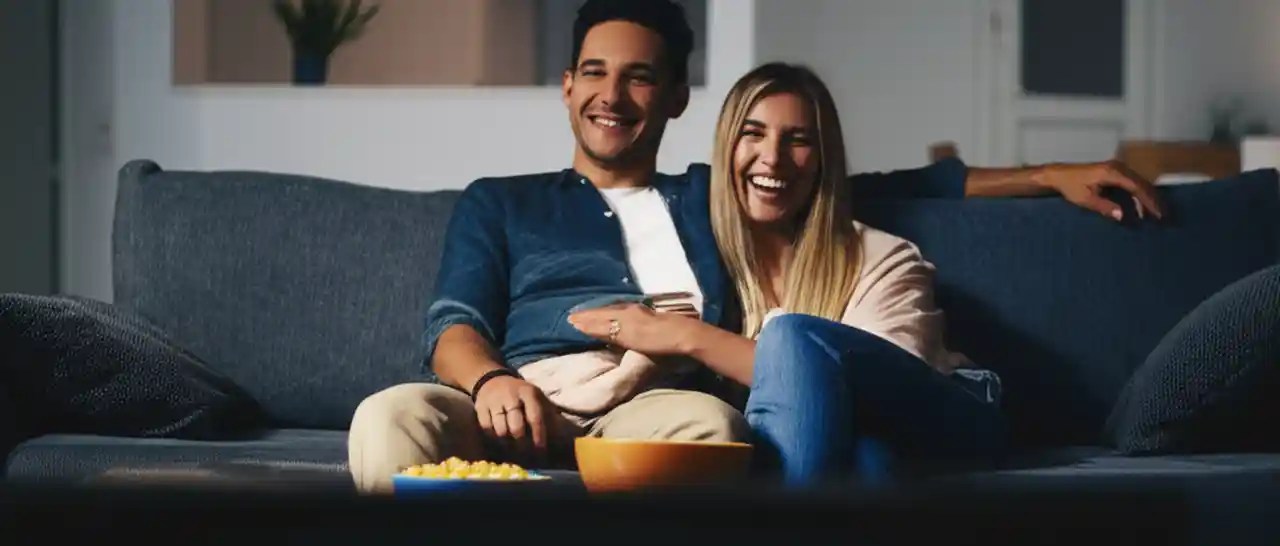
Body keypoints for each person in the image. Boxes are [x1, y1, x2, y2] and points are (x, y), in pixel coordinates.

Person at [348, 0, 1162, 492]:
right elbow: (451, 324)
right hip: (514, 399)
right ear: (568, 86)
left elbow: (879, 186)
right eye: (594, 72)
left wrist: (1051, 172)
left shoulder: (713, 195)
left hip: (644, 411)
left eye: (638, 77)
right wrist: (489, 379)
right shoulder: (502, 202)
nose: (612, 94)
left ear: (675, 97)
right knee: (387, 421)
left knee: (716, 429)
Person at [570, 62, 1010, 487]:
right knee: (869, 462)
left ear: (823, 159)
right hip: (848, 449)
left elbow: (882, 394)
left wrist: (687, 337)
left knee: (790, 337)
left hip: (942, 419)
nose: (773, 158)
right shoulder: (701, 262)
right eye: (753, 134)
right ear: (727, 149)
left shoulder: (883, 258)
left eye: (797, 140)